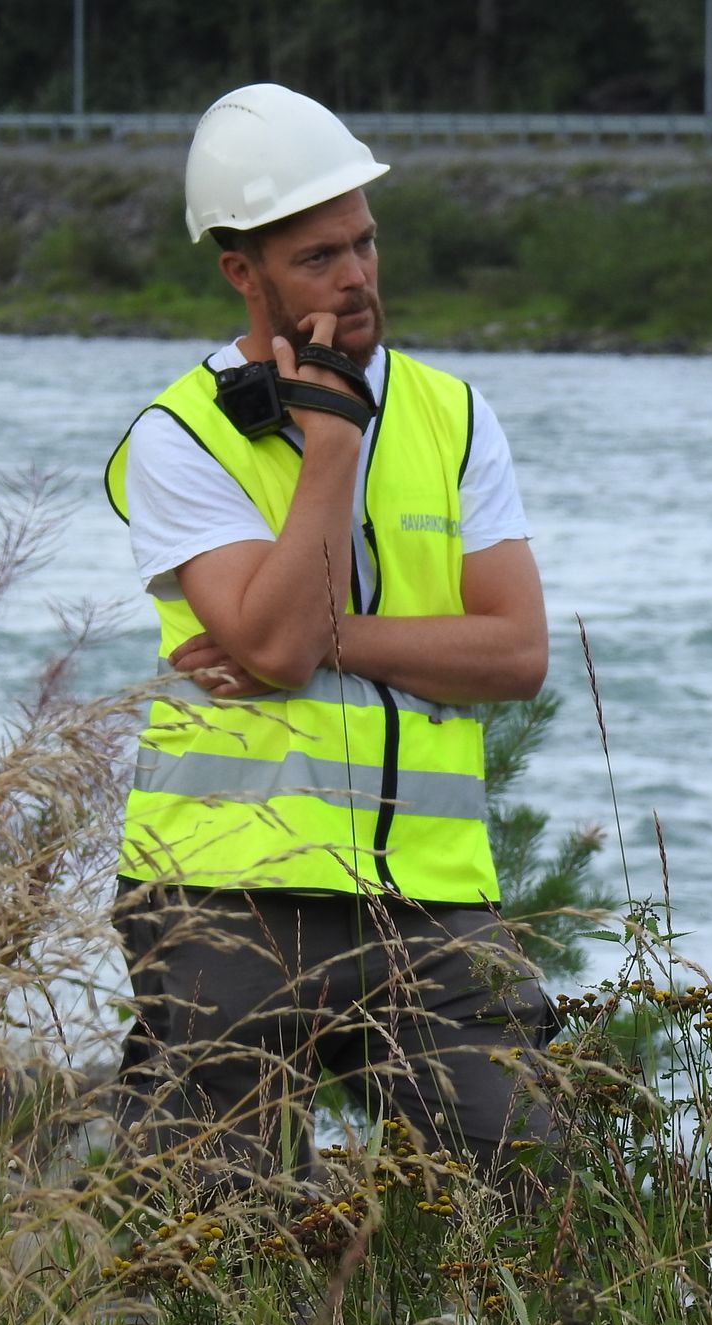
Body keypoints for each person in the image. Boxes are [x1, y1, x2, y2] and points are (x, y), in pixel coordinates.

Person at [103, 83, 553, 1195]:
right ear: (240, 271)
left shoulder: (452, 414)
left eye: (363, 243)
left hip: (433, 904)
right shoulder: (178, 438)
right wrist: (329, 449)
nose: (355, 276)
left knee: (539, 1203)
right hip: (225, 900)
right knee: (211, 1235)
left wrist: (330, 633)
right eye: (317, 257)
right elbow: (271, 651)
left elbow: (514, 654)